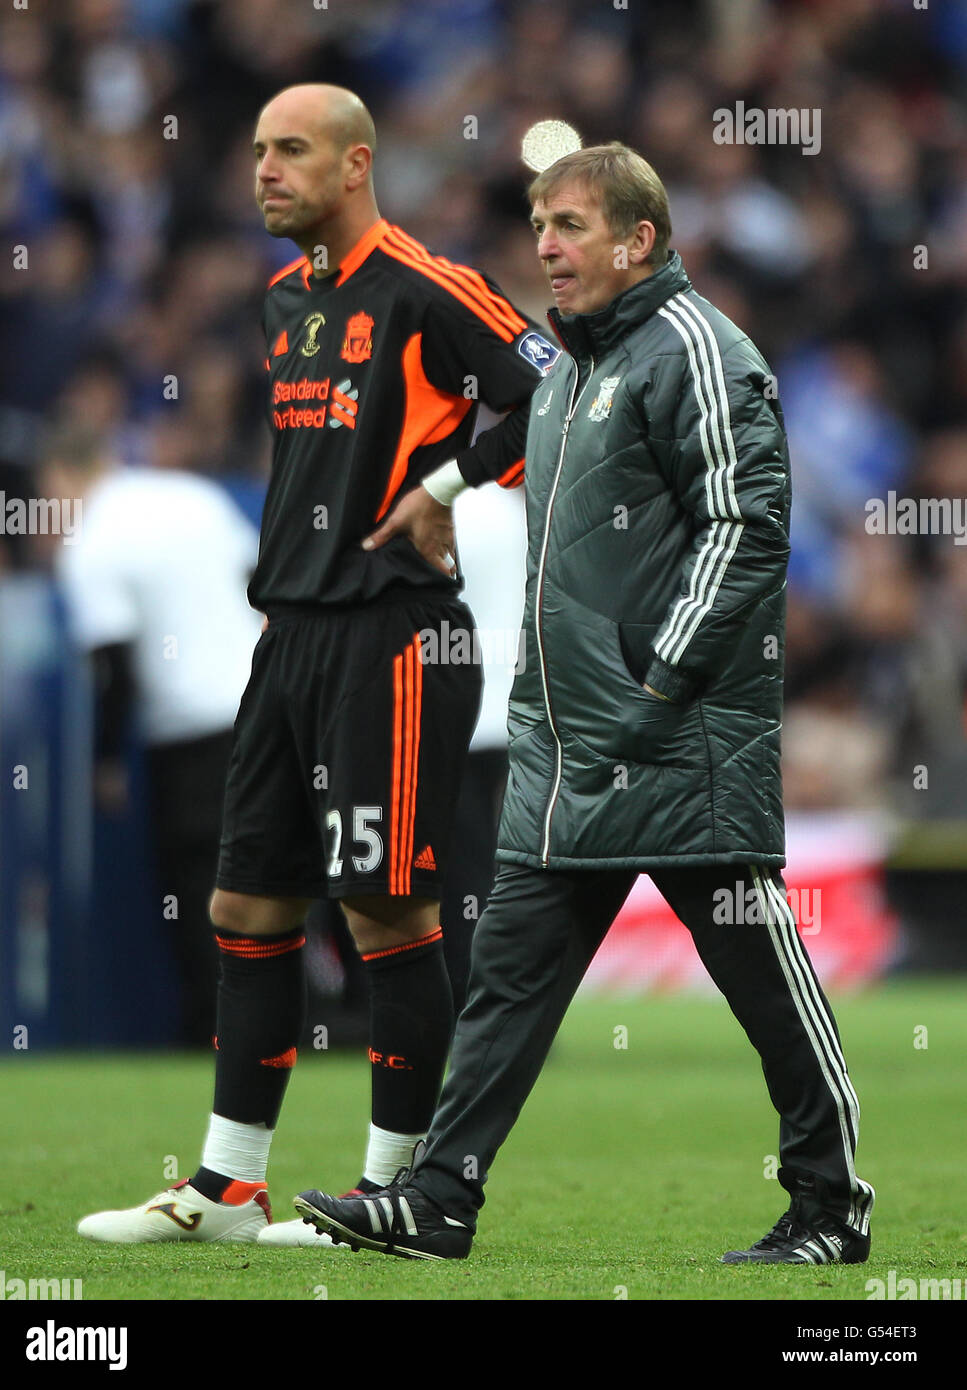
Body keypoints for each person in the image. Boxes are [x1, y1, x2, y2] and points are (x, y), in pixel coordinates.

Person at [293, 143, 876, 1264]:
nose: (546, 246)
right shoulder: (573, 366)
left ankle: (827, 1208)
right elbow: (508, 436)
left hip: (675, 740)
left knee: (765, 985)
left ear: (636, 240)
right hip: (564, 751)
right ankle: (439, 1197)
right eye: (539, 224)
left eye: (567, 225)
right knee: (505, 987)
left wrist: (660, 680)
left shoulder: (701, 350)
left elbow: (746, 526)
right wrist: (441, 487)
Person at [77, 84, 557, 1245]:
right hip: (285, 638)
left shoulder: (427, 285)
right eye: (255, 151)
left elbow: (553, 389)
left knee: (387, 912)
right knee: (246, 902)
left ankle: (395, 1190)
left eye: (291, 151)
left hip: (392, 640)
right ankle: (227, 1186)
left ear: (356, 165)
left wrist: (446, 483)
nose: (263, 171)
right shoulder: (285, 297)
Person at [48, 422, 262, 1046]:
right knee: (271, 879)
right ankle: (297, 1019)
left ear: (60, 478)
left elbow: (111, 665)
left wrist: (106, 760)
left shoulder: (94, 539)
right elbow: (265, 583)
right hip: (268, 713)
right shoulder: (191, 496)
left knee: (200, 884)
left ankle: (215, 1030)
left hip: (192, 737)